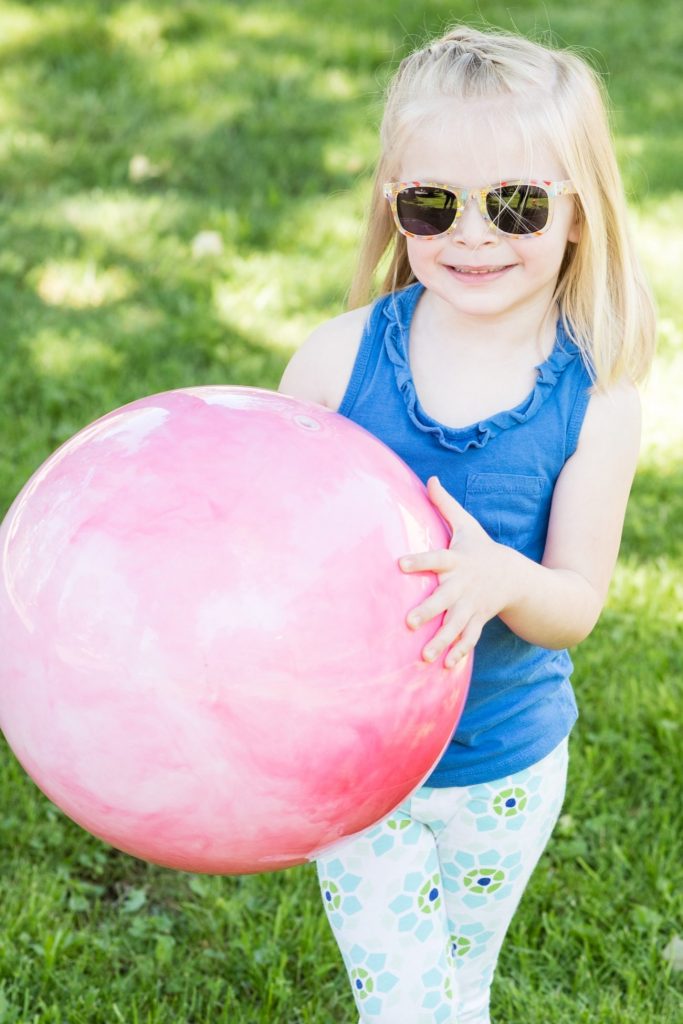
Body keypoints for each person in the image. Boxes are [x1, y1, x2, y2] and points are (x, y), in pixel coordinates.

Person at [279, 24, 655, 1024]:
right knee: (404, 1004)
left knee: (456, 983)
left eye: (517, 205)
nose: (472, 236)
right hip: (359, 760)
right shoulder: (332, 364)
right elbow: (269, 546)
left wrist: (503, 579)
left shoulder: (595, 396)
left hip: (505, 763)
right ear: (393, 202)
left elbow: (573, 603)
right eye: (432, 204)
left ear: (577, 216)